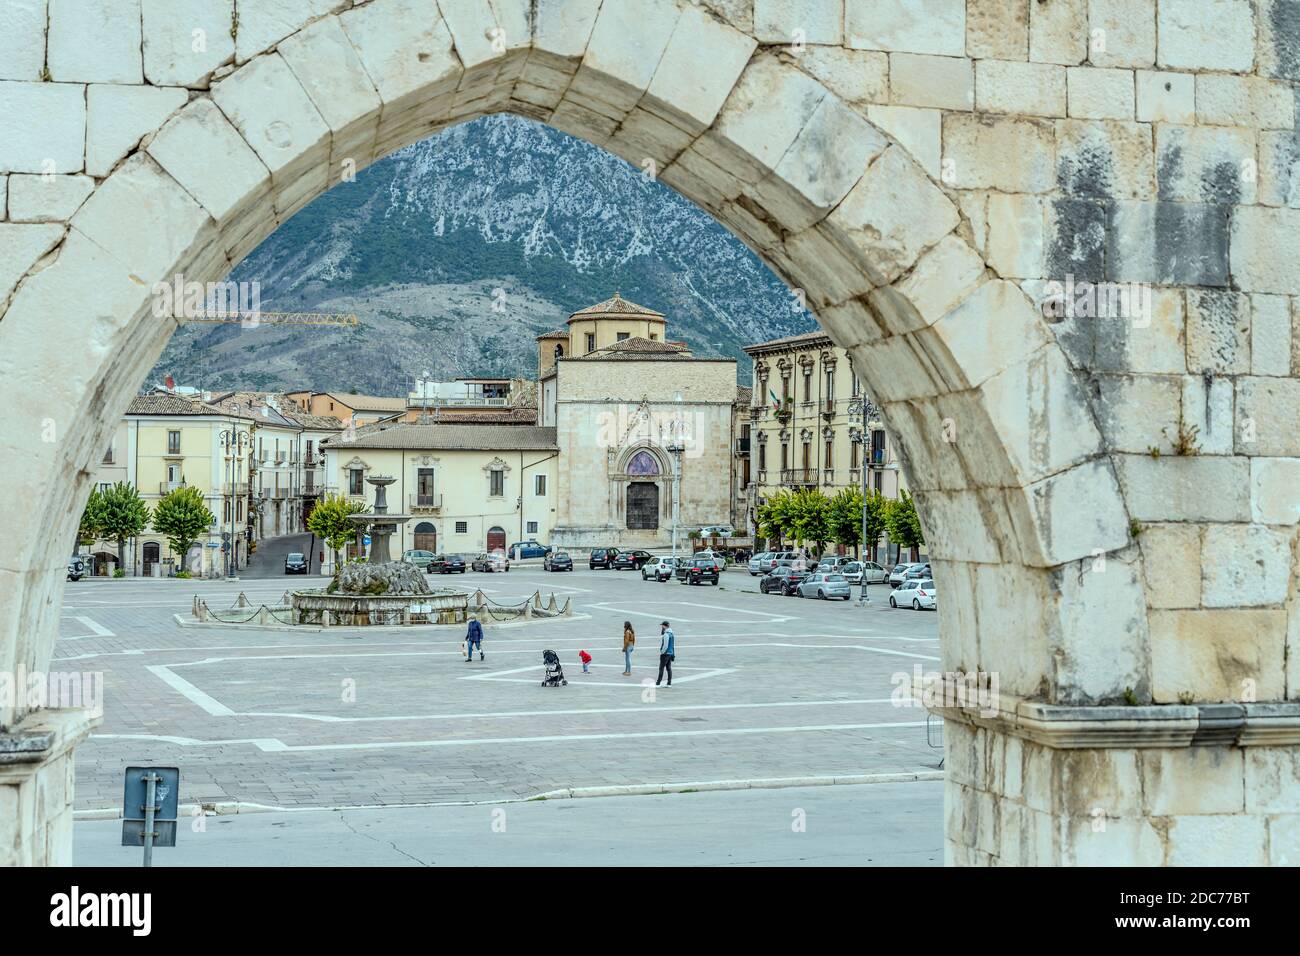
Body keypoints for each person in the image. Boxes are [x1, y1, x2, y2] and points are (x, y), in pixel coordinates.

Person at [657, 620, 675, 687]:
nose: (661, 626)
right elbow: (672, 645)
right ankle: (669, 683)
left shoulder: (666, 634)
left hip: (665, 654)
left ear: (665, 626)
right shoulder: (671, 634)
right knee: (669, 668)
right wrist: (673, 654)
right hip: (670, 653)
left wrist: (662, 652)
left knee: (661, 668)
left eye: (662, 625)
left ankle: (658, 683)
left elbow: (665, 645)